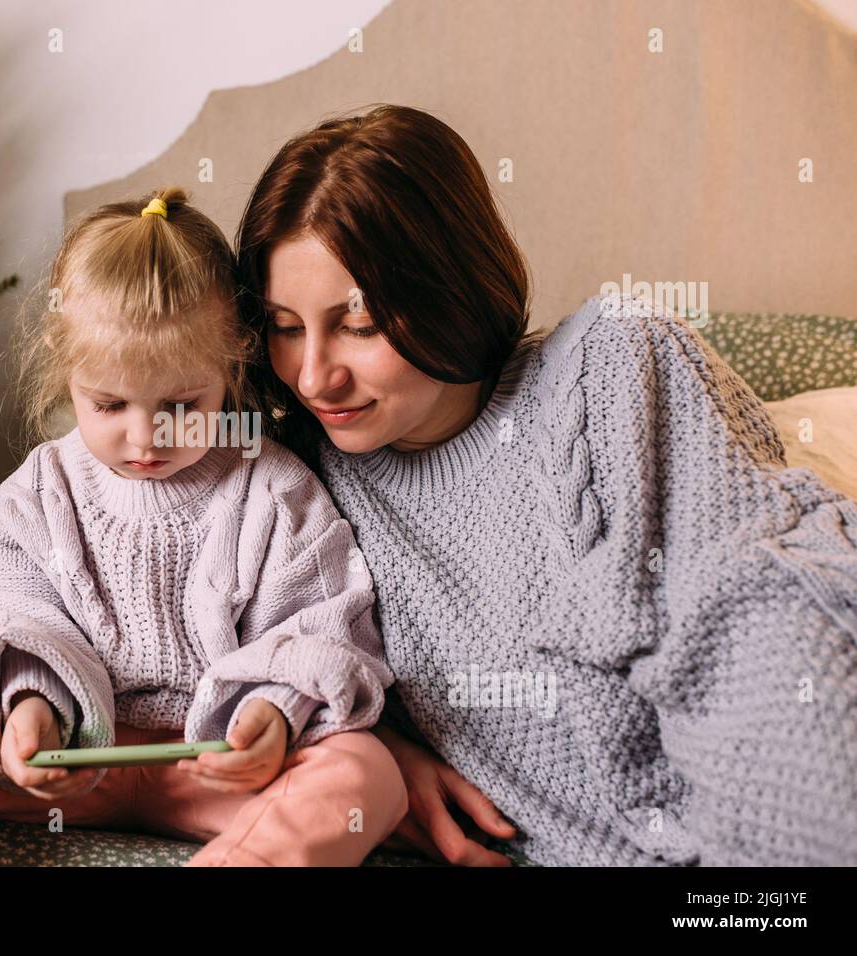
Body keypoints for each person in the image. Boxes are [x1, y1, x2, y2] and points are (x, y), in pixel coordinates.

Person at [235, 104, 857, 866]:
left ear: (448, 286)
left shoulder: (613, 363)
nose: (312, 374)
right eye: (285, 325)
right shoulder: (293, 478)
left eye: (359, 324)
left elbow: (751, 625)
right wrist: (374, 748)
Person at [0, 187, 407, 867]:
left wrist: (274, 713)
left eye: (182, 402)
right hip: (75, 766)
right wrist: (30, 707)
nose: (147, 437)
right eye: (109, 403)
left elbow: (326, 629)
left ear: (232, 363)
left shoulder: (274, 488)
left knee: (367, 771)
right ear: (68, 372)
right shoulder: (42, 490)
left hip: (214, 771)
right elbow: (6, 613)